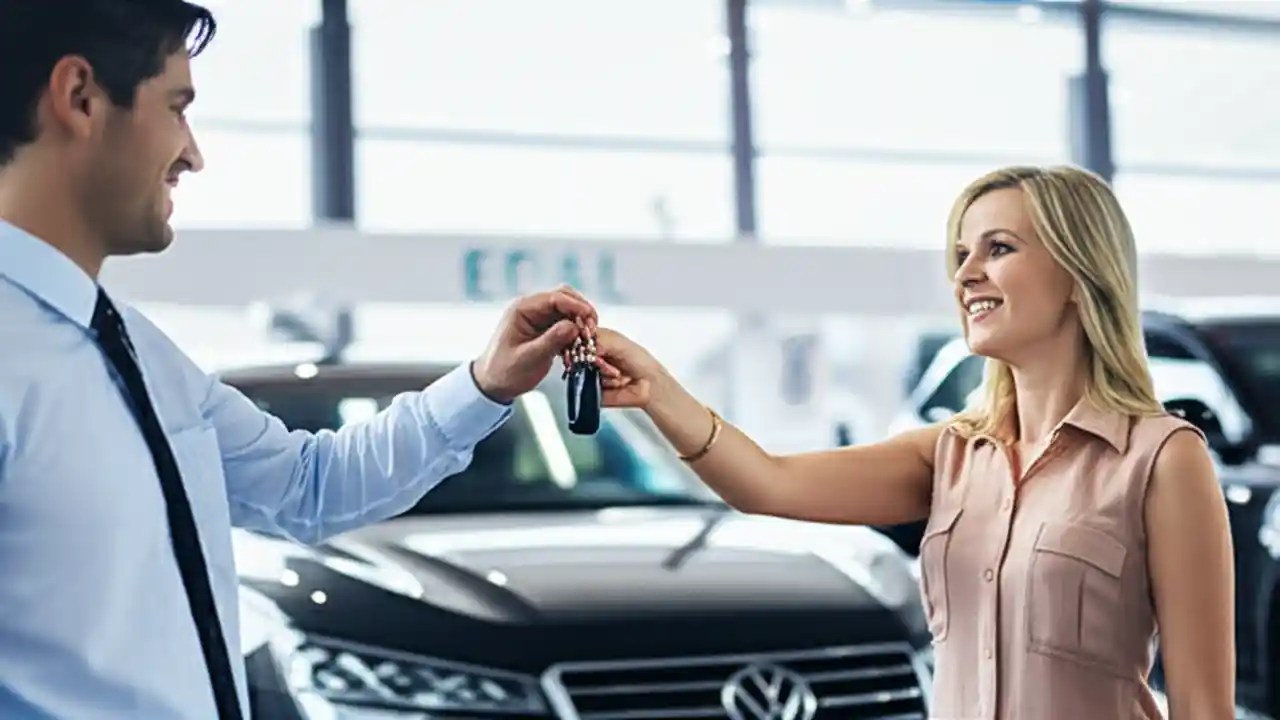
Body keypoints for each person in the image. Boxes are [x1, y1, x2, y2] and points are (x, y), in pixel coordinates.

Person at [0, 1, 596, 718]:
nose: (193, 154)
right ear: (81, 97)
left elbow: (310, 486)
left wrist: (486, 384)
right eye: (177, 106)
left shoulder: (136, 350)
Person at [592, 165, 1236, 719]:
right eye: (962, 256)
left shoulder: (1161, 458)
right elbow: (766, 483)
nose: (967, 276)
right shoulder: (949, 454)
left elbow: (1204, 707)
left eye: (998, 249)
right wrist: (657, 389)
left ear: (1078, 270)